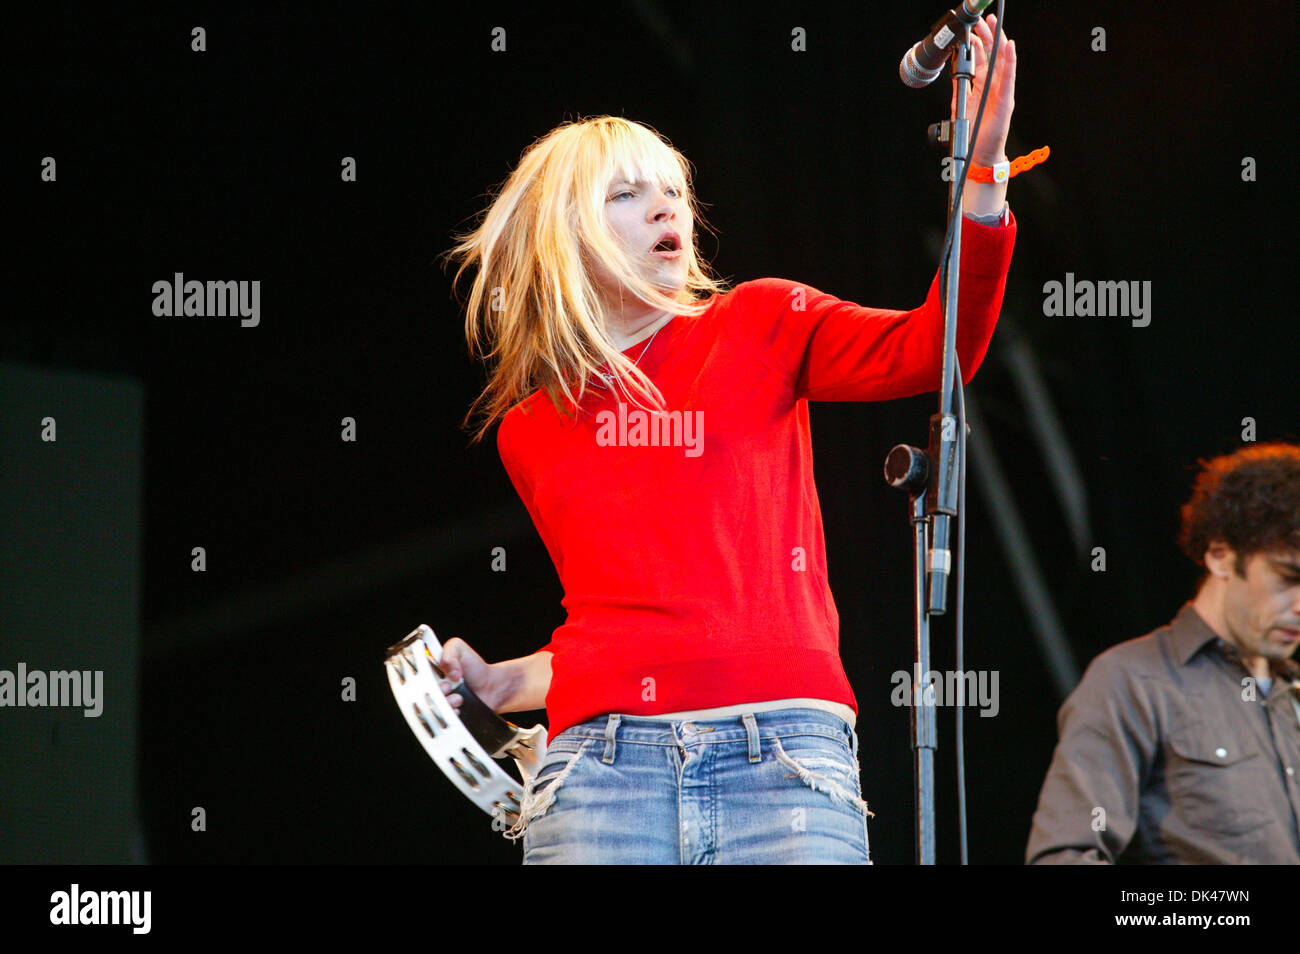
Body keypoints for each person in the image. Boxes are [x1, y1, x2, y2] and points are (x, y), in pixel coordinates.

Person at [439, 16, 1018, 864]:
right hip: (600, 774)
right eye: (626, 195)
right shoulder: (531, 427)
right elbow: (619, 625)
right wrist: (503, 684)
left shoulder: (759, 321)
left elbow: (937, 349)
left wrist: (982, 175)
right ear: (565, 237)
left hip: (782, 756)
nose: (666, 205)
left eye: (671, 188)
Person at [1026, 443, 1300, 864]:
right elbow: (1063, 857)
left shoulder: (1293, 694)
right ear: (1221, 555)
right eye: (1288, 578)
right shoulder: (1132, 680)